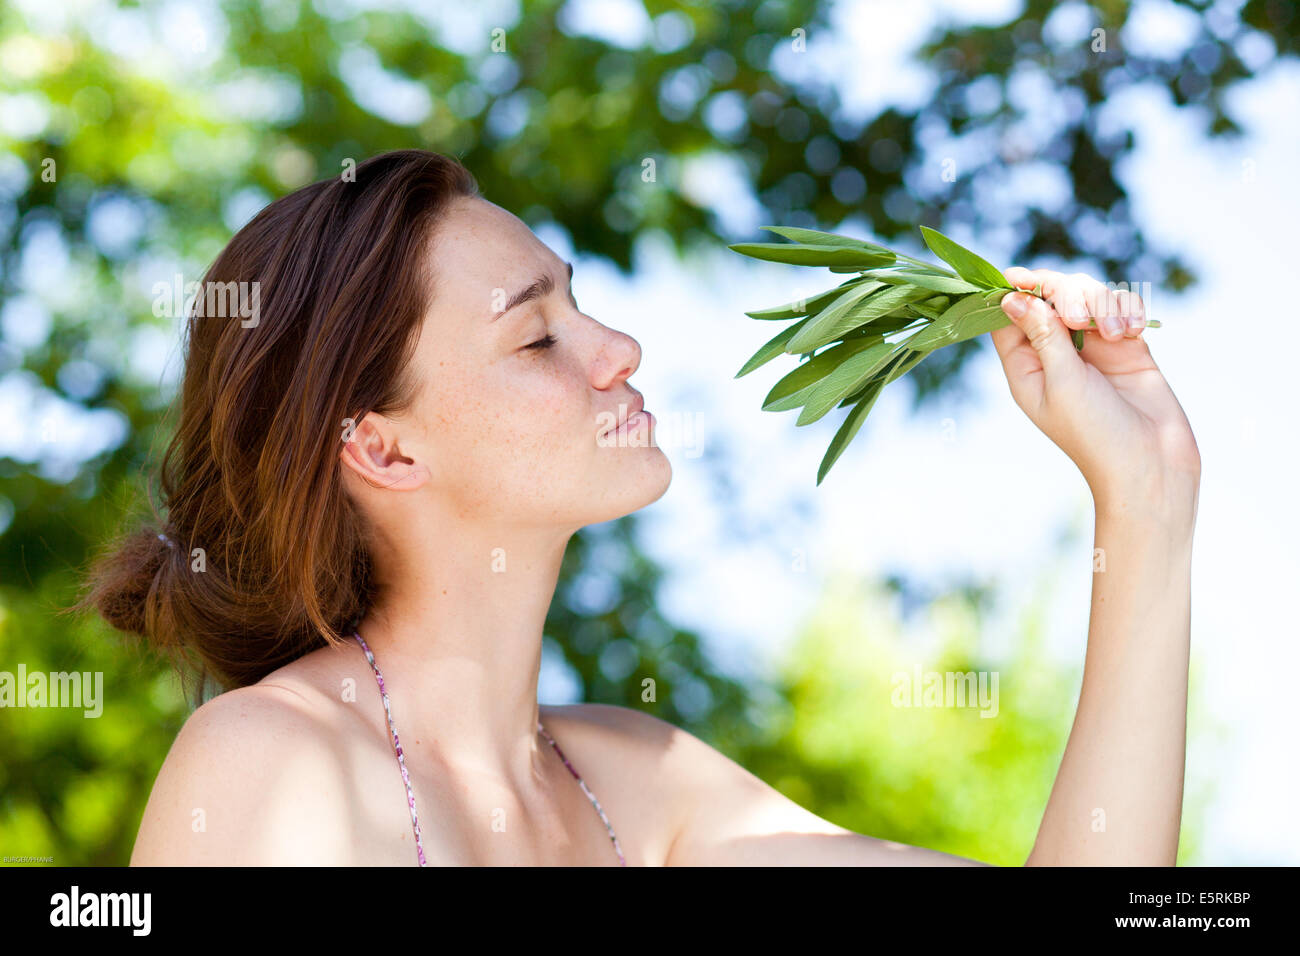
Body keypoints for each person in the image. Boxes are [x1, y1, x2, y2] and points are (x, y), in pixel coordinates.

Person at [84, 149, 1200, 865]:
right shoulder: (270, 758)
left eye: (582, 303)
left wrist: (1145, 504)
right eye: (536, 336)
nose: (619, 350)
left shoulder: (634, 778)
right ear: (382, 446)